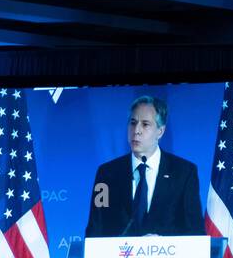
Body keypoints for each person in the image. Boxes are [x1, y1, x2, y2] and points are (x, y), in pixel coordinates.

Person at [85, 95, 203, 237]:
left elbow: (195, 232)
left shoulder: (184, 173)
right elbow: (95, 227)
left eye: (145, 124)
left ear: (160, 131)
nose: (136, 131)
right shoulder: (106, 174)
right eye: (133, 123)